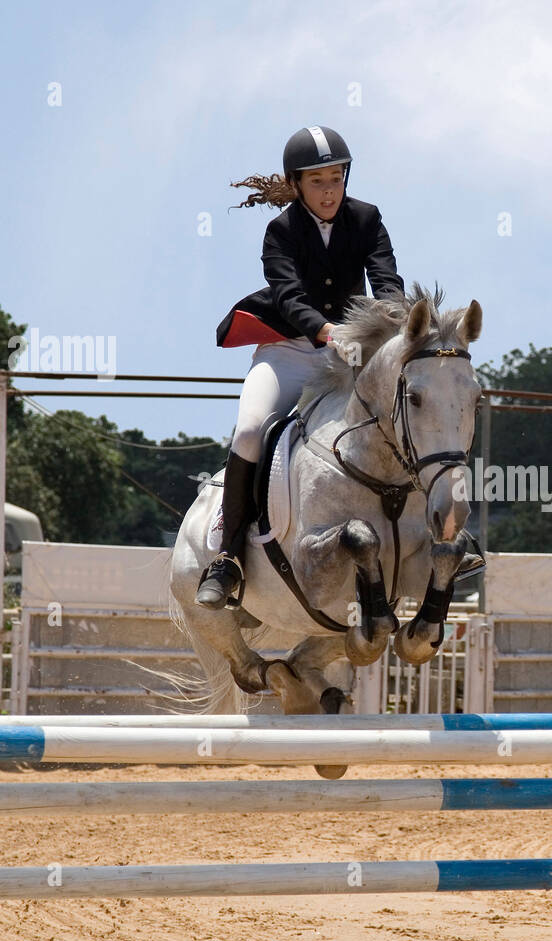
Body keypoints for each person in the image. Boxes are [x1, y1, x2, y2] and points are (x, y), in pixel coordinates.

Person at [197, 125, 405, 607]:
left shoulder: (367, 218)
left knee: (398, 415)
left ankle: (430, 531)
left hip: (348, 352)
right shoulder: (281, 231)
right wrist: (328, 332)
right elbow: (289, 298)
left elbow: (386, 279)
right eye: (317, 181)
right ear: (295, 183)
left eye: (336, 179)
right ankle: (228, 557)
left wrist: (392, 318)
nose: (329, 191)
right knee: (251, 430)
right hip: (288, 350)